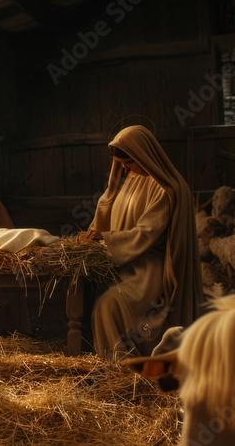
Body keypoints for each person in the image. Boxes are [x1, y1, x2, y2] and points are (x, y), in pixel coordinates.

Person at [79, 125, 202, 360]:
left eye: (130, 163)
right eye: (121, 165)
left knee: (109, 304)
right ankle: (112, 365)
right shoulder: (126, 181)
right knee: (92, 296)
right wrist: (92, 236)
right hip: (121, 262)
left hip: (151, 267)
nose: (125, 169)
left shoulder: (166, 189)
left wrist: (106, 239)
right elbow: (105, 215)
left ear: (143, 156)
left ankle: (124, 365)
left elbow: (146, 233)